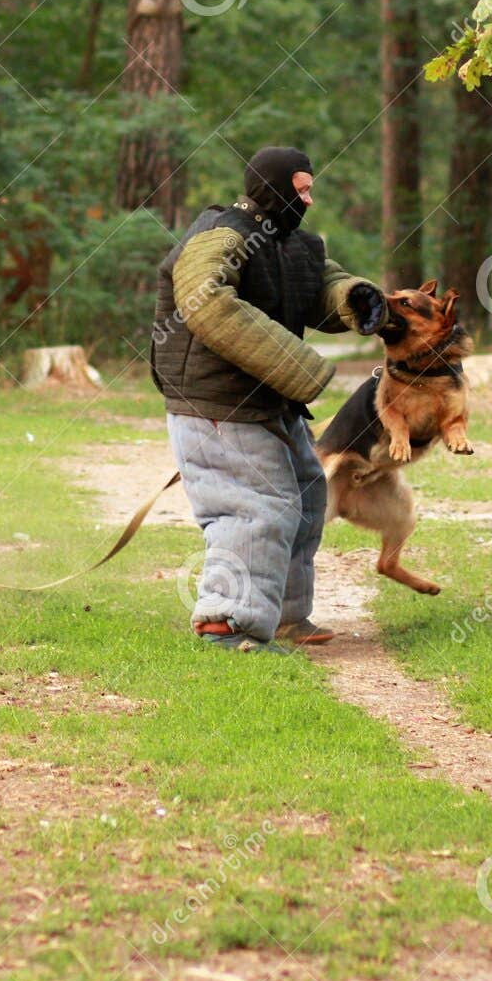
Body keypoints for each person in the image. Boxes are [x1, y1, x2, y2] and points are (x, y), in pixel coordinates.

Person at [150, 146, 386, 653]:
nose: (309, 200)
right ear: (273, 187)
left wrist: (355, 297)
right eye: (301, 190)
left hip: (267, 403)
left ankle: (281, 615)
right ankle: (226, 622)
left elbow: (321, 283)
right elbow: (205, 301)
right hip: (218, 404)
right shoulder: (219, 235)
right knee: (255, 508)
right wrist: (298, 365)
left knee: (306, 495)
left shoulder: (292, 241)